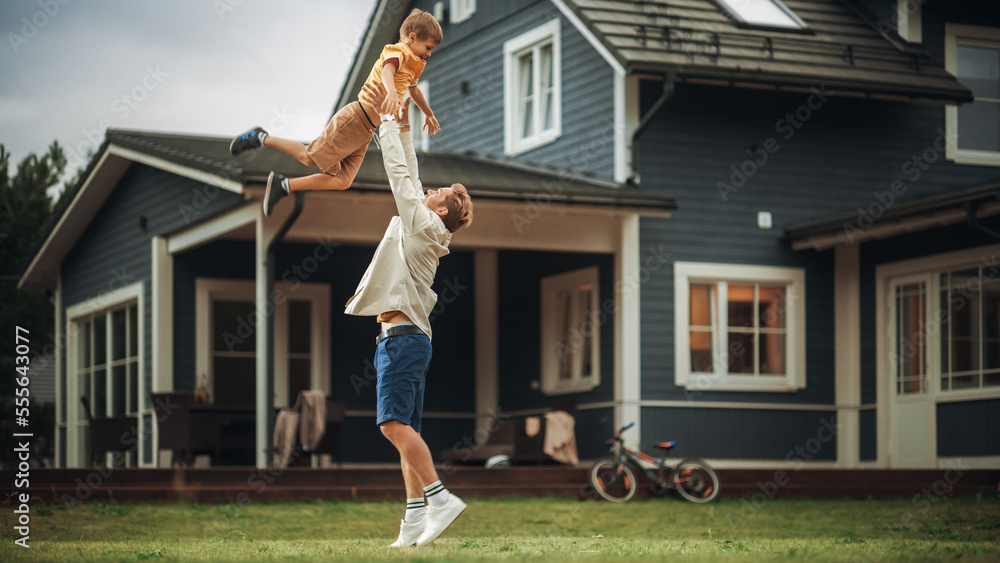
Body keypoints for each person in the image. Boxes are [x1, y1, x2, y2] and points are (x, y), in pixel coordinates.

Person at [346, 83, 473, 548]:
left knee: (391, 426)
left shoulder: (423, 222)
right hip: (406, 338)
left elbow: (400, 177)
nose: (430, 191)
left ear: (440, 210)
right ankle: (413, 520)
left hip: (402, 339)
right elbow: (413, 172)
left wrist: (382, 122)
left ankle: (439, 498)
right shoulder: (430, 221)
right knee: (407, 431)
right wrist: (403, 121)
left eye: (436, 193)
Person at [229, 8, 443, 217]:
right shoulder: (398, 51)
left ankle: (283, 185)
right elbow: (387, 71)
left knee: (342, 181)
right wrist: (393, 94)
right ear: (412, 38)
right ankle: (260, 137)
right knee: (308, 157)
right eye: (428, 47)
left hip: (366, 131)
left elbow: (414, 90)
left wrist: (428, 113)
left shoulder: (416, 64)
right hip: (354, 119)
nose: (429, 53)